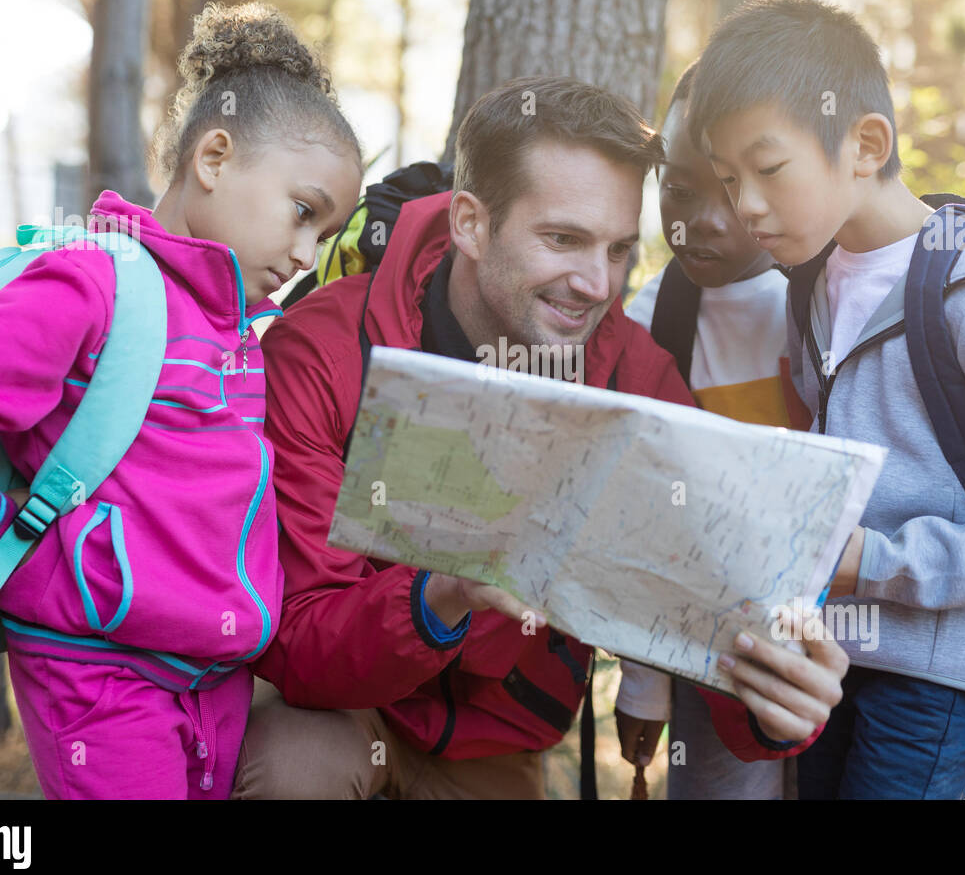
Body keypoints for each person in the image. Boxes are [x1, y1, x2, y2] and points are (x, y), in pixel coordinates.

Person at [232, 76, 849, 800]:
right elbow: (296, 639)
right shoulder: (324, 352)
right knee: (291, 771)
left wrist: (777, 704)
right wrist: (443, 593)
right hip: (339, 712)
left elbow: (709, 606)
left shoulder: (631, 374)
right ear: (471, 222)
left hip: (497, 744)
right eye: (563, 239)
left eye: (619, 250)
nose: (595, 284)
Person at [0, 1, 362, 798]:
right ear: (214, 156)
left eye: (327, 232)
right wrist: (8, 545)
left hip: (217, 685)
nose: (307, 255)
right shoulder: (93, 284)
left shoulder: (239, 328)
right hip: (102, 682)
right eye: (303, 212)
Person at [685, 0, 965, 799]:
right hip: (824, 654)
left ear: (866, 142)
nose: (745, 205)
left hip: (929, 672)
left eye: (768, 168)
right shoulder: (810, 285)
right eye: (726, 177)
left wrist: (880, 563)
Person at [618, 60, 812, 799]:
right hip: (719, 663)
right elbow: (643, 518)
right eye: (677, 188)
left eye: (726, 191)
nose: (696, 218)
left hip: (849, 653)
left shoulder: (824, 305)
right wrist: (644, 686)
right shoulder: (655, 317)